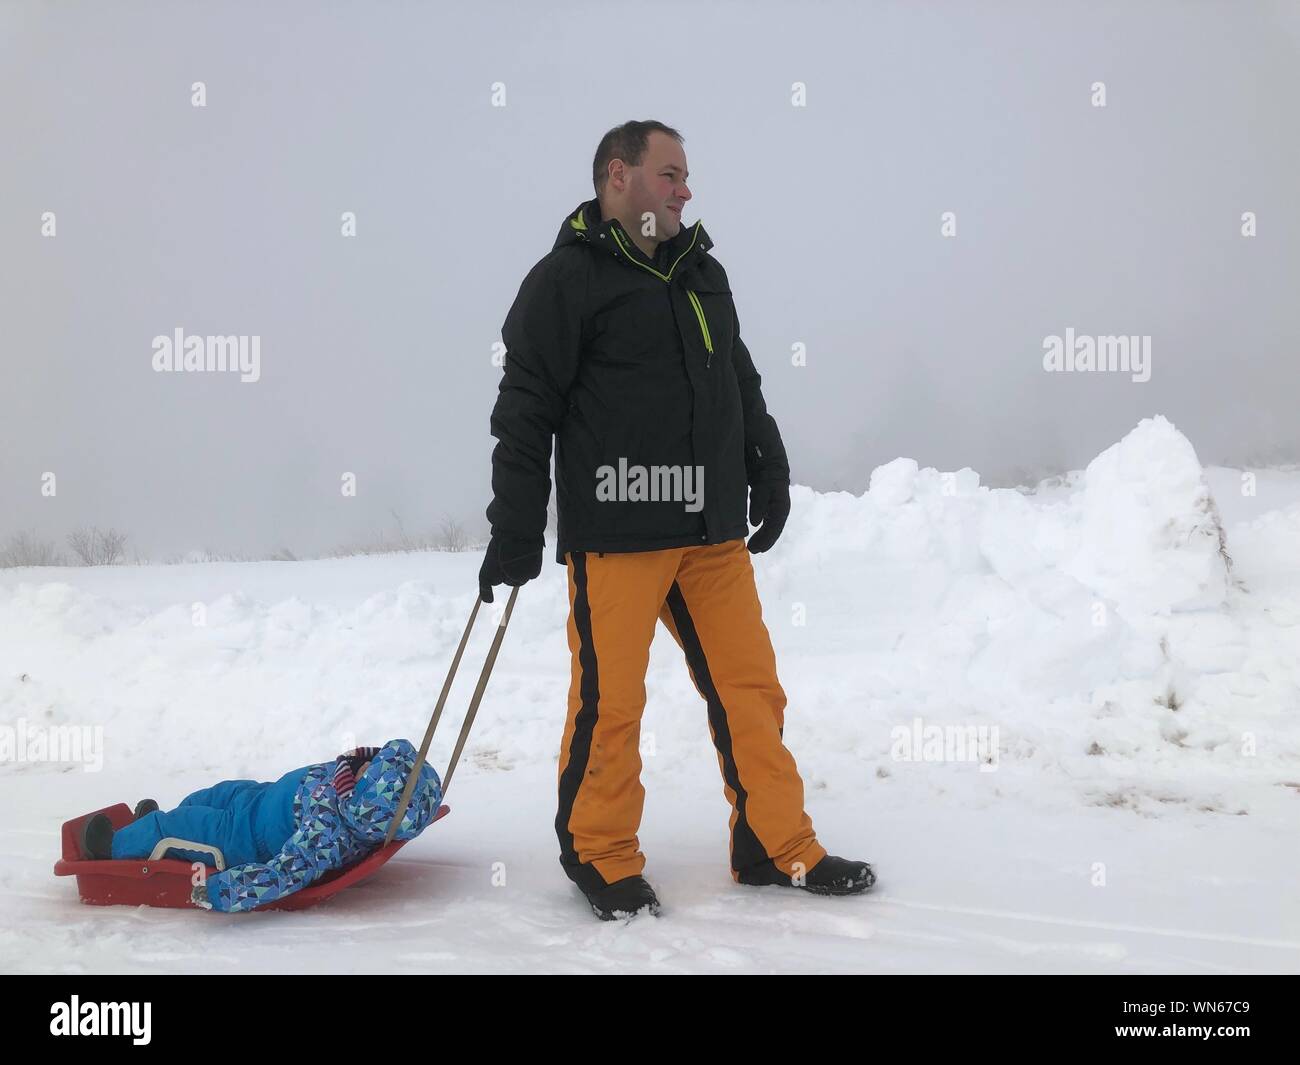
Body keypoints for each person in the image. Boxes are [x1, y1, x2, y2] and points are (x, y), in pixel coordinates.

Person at [479, 120, 876, 921]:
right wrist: (517, 530)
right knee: (611, 702)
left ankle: (773, 843)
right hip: (619, 532)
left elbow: (738, 375)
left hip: (711, 535)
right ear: (618, 177)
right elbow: (524, 411)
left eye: (686, 176)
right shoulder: (565, 281)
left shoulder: (702, 273)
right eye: (670, 173)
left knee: (751, 689)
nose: (685, 189)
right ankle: (601, 853)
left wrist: (768, 466)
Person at [79, 740, 442, 913]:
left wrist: (225, 893)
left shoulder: (328, 836)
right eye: (370, 764)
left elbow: (285, 874)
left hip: (244, 839)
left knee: (179, 826)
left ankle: (114, 847)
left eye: (366, 774)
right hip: (257, 800)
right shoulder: (356, 788)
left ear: (363, 798)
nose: (364, 766)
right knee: (207, 796)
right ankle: (146, 832)